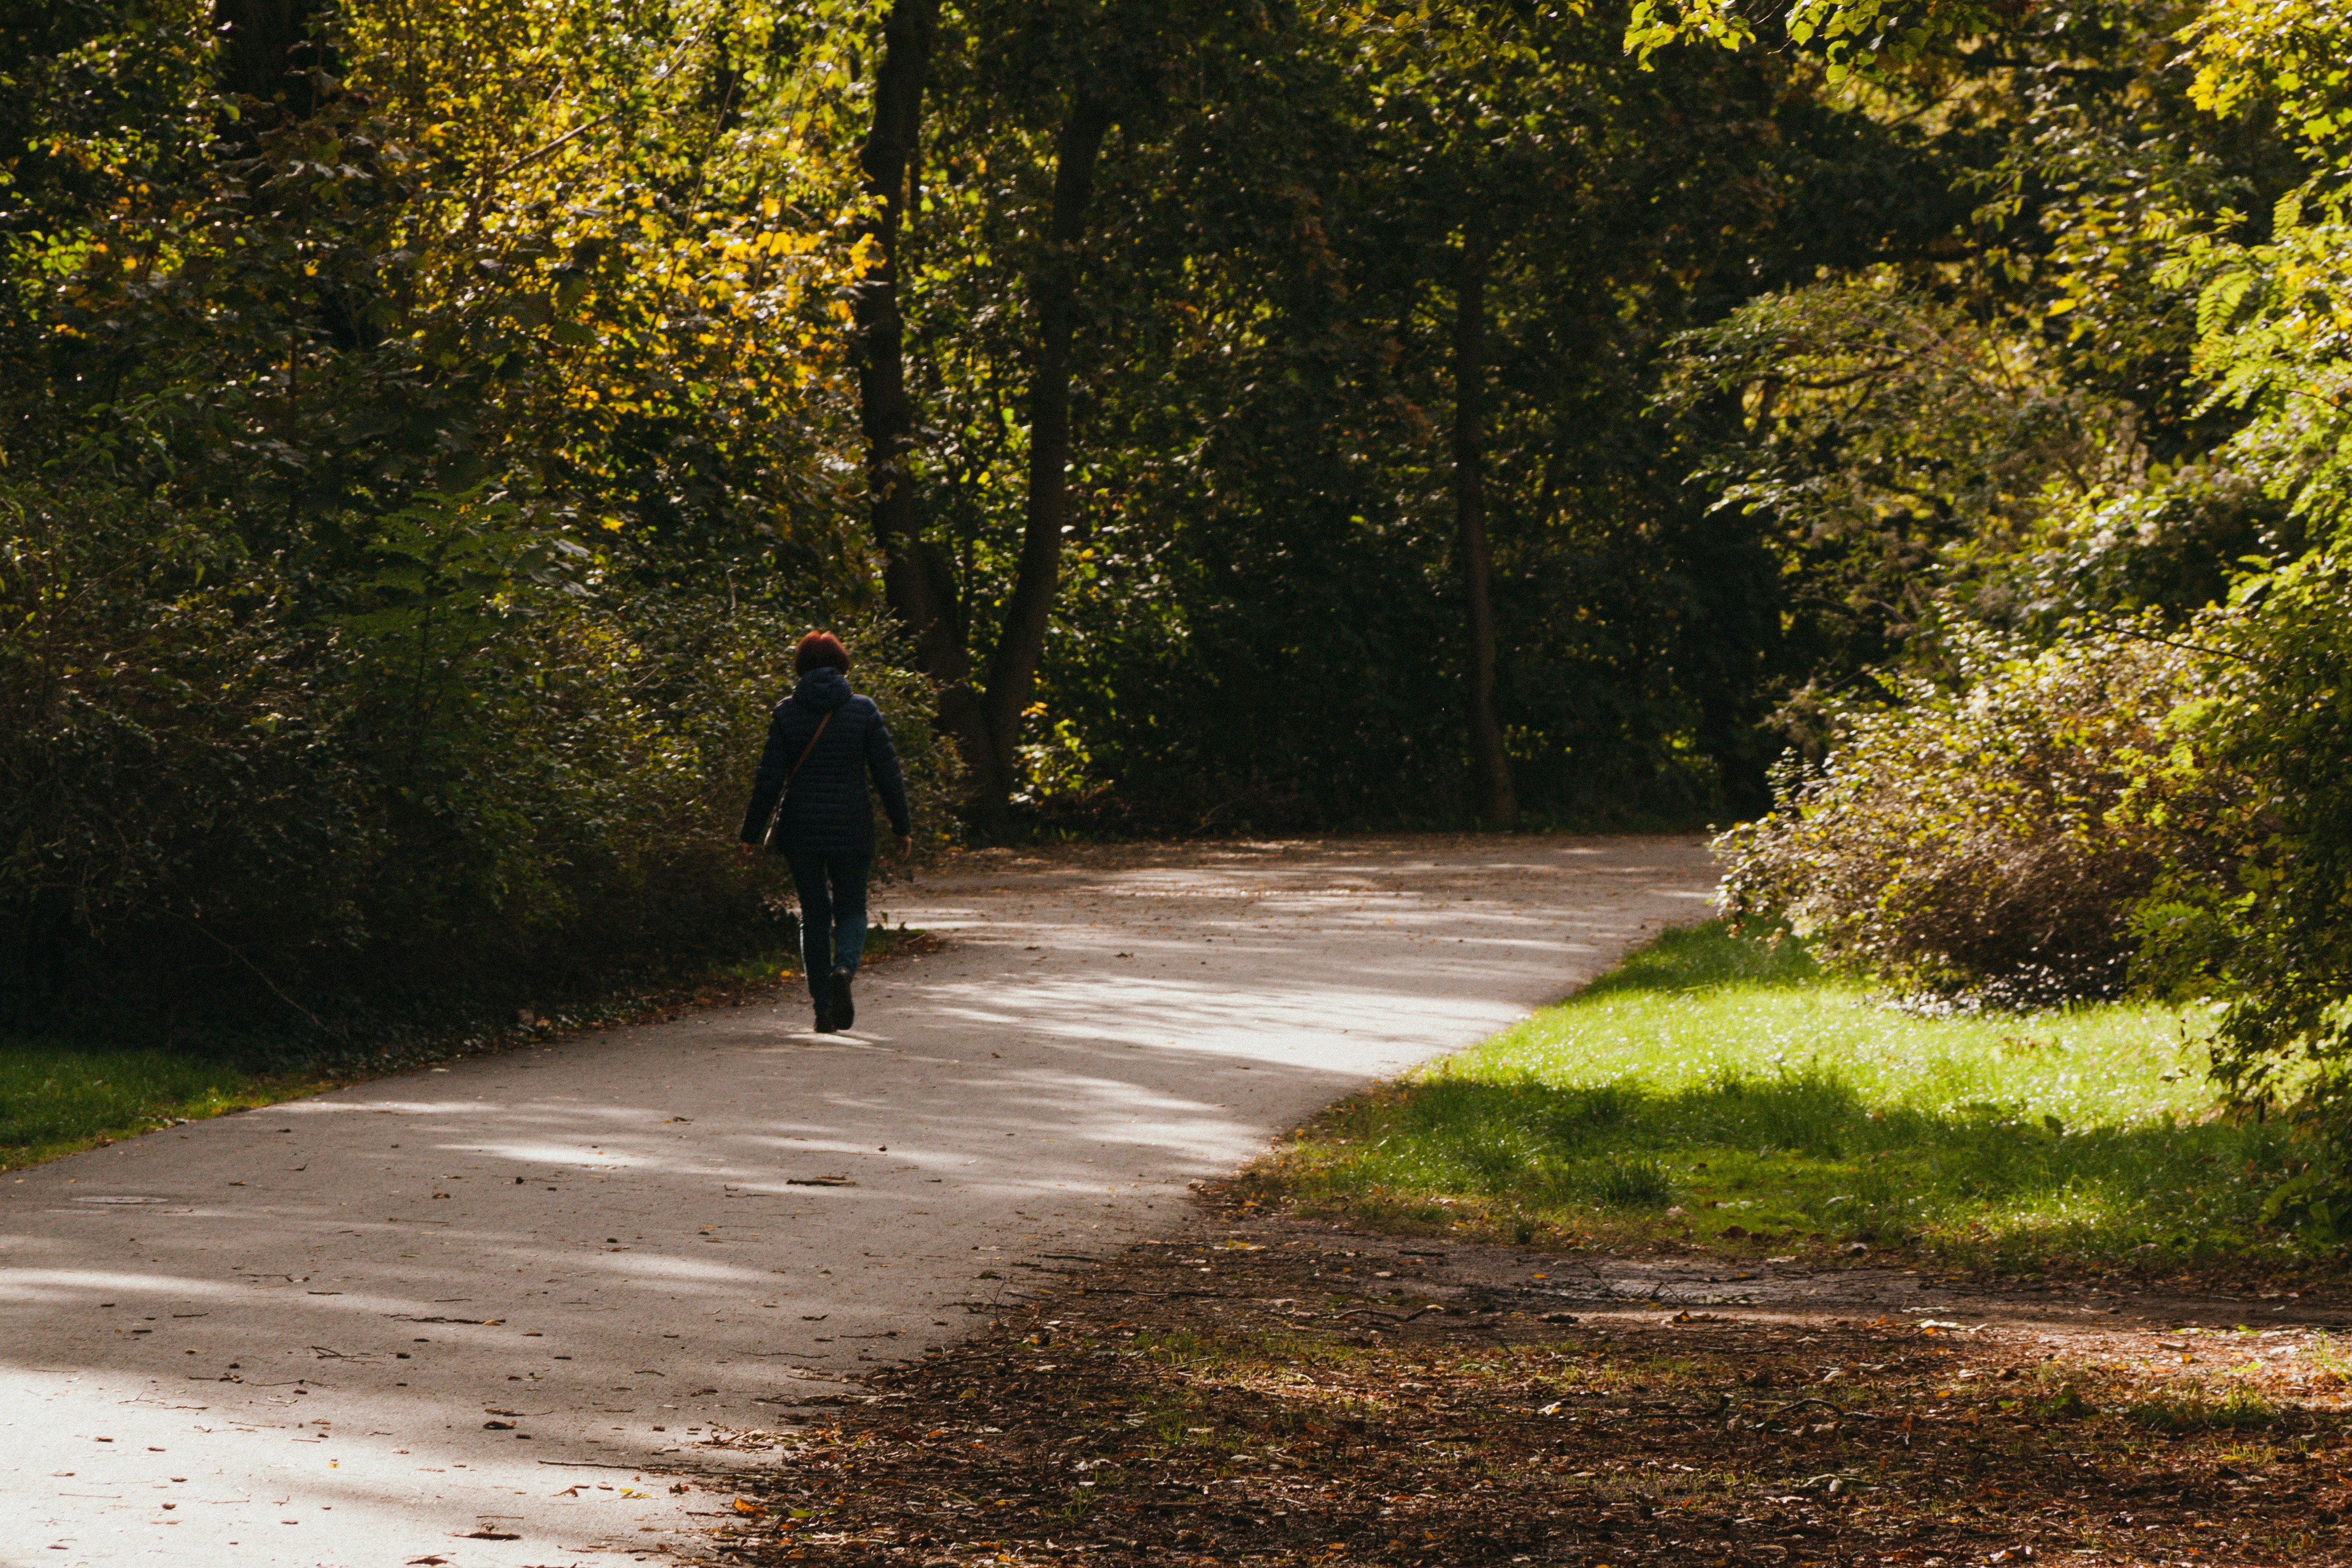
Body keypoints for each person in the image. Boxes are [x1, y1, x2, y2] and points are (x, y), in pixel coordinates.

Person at [737, 631, 914, 1032]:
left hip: (801, 829)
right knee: (852, 908)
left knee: (814, 916)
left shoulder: (786, 714)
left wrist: (749, 834)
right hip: (852, 826)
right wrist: (901, 827)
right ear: (842, 665)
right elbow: (888, 774)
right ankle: (843, 971)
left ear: (800, 666)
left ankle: (823, 1009)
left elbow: (768, 780)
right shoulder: (863, 711)